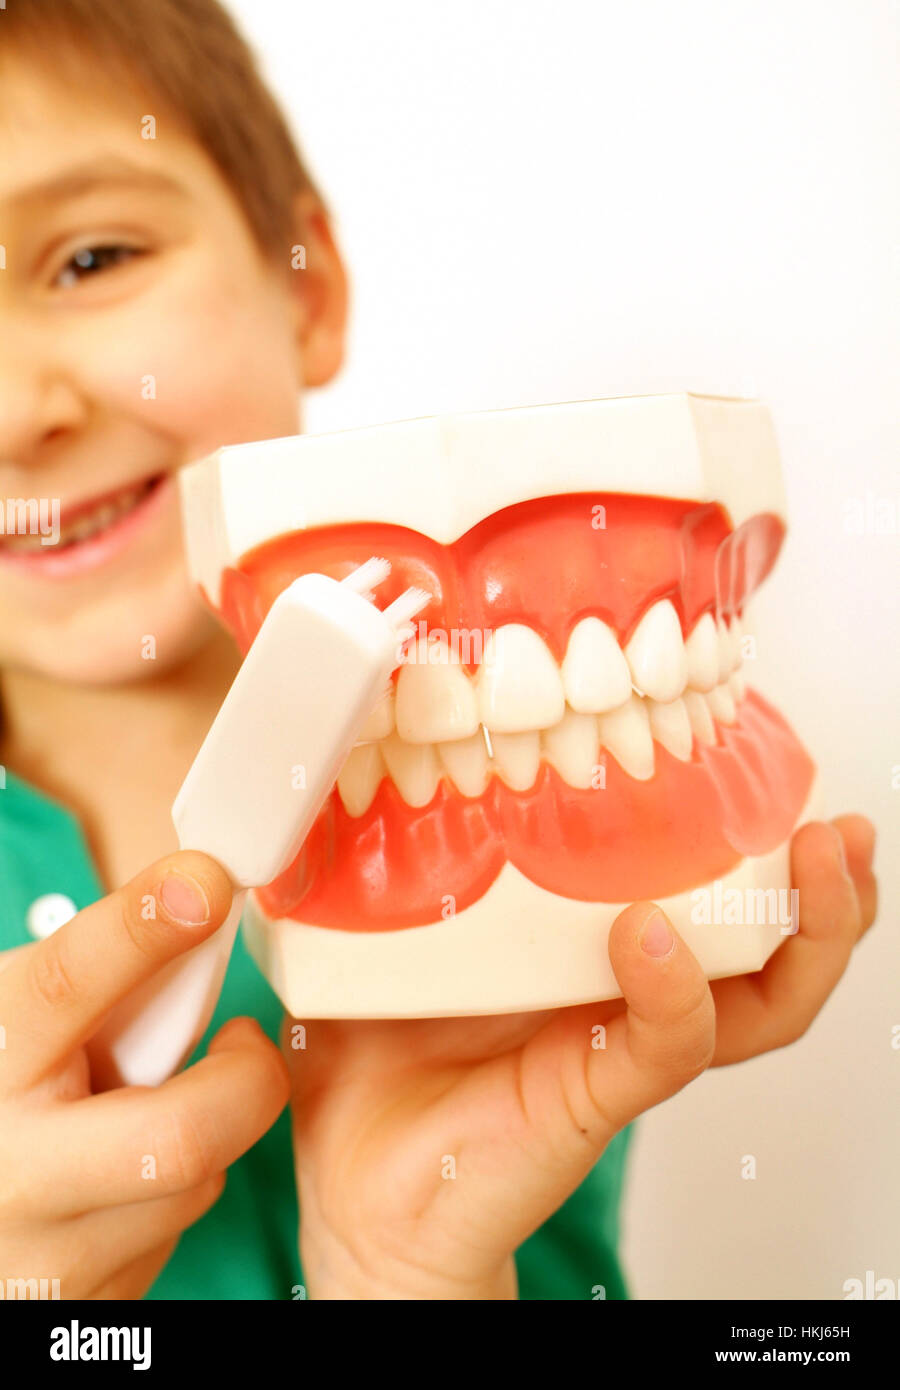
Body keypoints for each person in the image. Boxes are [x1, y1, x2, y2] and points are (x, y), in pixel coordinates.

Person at [0, 0, 877, 1300]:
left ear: (311, 281)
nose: (23, 413)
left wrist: (408, 1266)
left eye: (91, 259)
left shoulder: (528, 810)